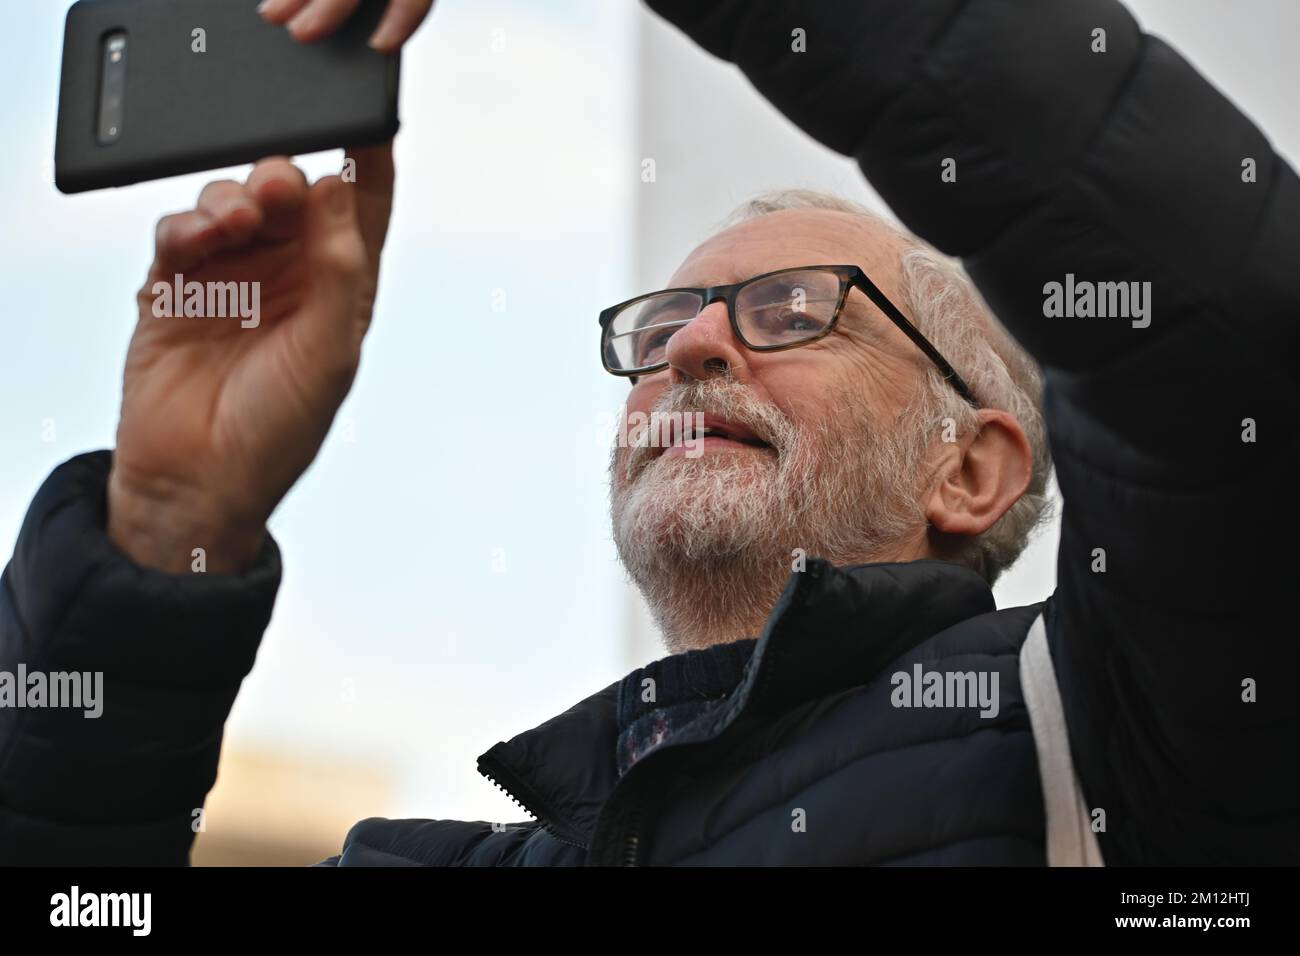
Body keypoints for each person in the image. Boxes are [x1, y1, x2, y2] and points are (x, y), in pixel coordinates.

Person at [1, 0, 1294, 866]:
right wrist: (160, 537)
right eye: (666, 318)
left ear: (973, 466)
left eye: (791, 310)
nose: (689, 346)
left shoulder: (1121, 734)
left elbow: (1219, 325)